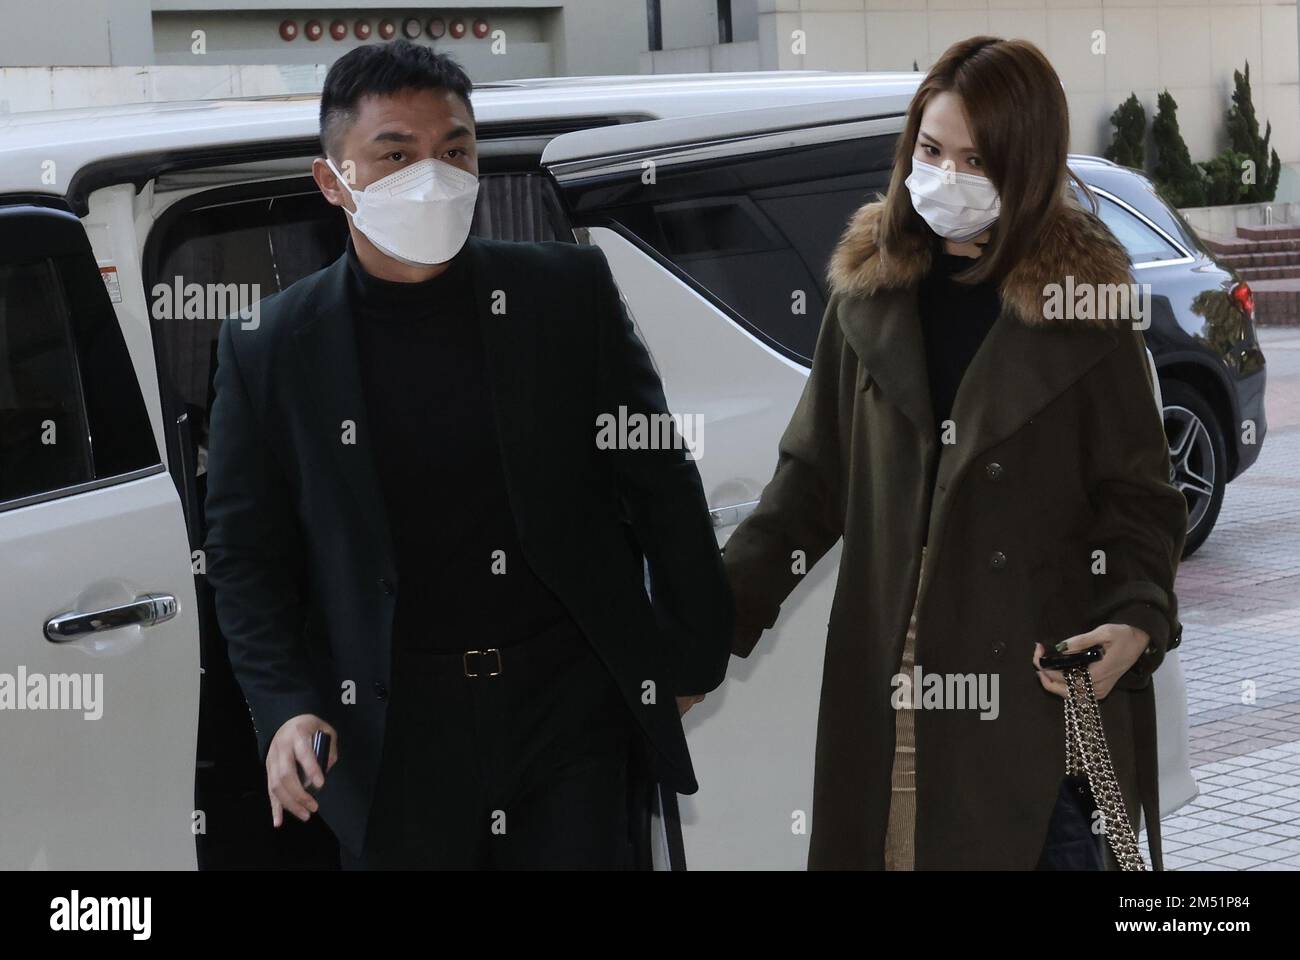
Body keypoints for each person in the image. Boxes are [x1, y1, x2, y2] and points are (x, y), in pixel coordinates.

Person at [203, 39, 732, 870]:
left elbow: (658, 475)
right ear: (330, 180)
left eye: (455, 150)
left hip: (567, 712)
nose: (435, 174)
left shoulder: (564, 294)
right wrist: (285, 710)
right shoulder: (270, 349)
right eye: (397, 154)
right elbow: (243, 557)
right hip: (390, 729)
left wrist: (692, 651)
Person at [722, 35, 1187, 870]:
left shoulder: (1087, 310)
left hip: (1036, 698)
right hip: (892, 692)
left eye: (980, 161)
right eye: (931, 151)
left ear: (1030, 167)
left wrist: (1136, 615)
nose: (948, 179)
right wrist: (702, 629)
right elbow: (808, 491)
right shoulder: (869, 296)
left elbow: (1141, 500)